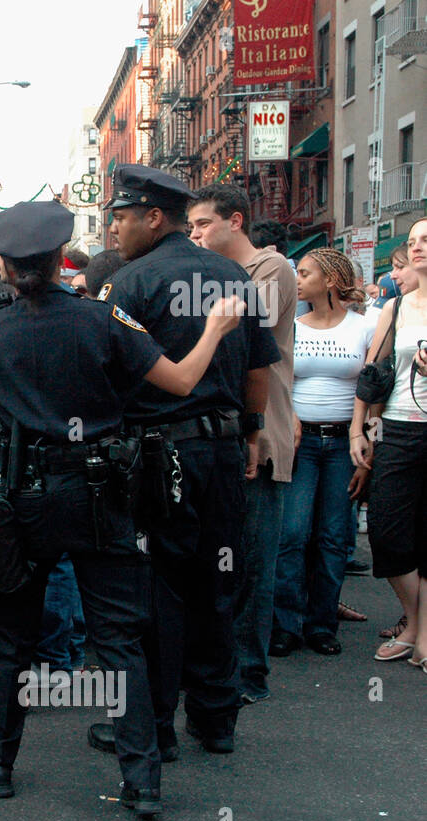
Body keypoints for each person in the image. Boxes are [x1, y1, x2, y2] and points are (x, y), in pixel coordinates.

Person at [0, 201, 244, 816]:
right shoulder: (105, 321)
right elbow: (180, 382)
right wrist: (212, 329)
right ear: (58, 260)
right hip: (100, 494)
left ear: (0, 262)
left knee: (13, 639)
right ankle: (142, 782)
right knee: (119, 638)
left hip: (23, 498)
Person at [92, 164, 279, 758]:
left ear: (153, 217)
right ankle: (217, 718)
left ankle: (158, 726)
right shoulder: (232, 276)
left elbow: (108, 376)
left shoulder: (130, 283)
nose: (114, 230)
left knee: (158, 591)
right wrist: (249, 432)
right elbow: (257, 371)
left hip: (155, 455)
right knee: (219, 579)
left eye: (121, 217)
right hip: (220, 453)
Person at [188, 184, 297, 704]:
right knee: (221, 559)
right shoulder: (212, 275)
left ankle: (250, 672)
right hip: (227, 433)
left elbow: (240, 333)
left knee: (253, 558)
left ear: (235, 222)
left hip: (264, 431)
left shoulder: (271, 269)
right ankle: (222, 666)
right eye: (189, 227)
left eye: (202, 225)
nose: (194, 235)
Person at [269, 249, 374, 660]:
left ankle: (322, 624)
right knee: (292, 534)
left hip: (345, 444)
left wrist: (366, 440)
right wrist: (291, 416)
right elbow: (280, 382)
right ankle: (286, 625)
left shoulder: (366, 327)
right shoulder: (292, 327)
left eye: (306, 273)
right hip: (301, 442)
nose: (297, 278)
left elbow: (372, 390)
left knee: (333, 537)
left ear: (329, 280)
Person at [352, 217, 427, 669]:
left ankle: (420, 633)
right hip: (398, 428)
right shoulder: (395, 308)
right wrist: (358, 429)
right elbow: (372, 372)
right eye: (414, 240)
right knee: (387, 531)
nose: (417, 248)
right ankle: (415, 621)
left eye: (426, 241)